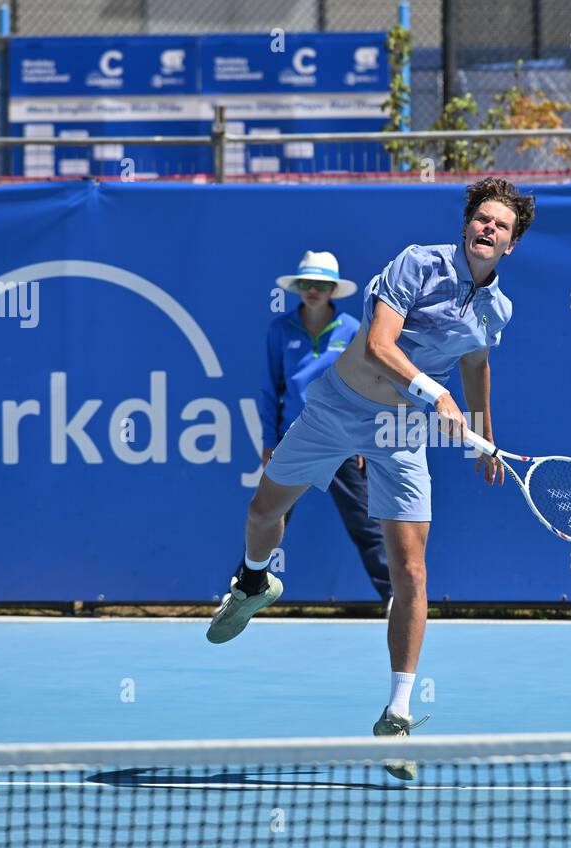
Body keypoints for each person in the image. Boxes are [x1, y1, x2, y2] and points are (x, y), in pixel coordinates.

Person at [207, 178, 536, 776]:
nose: (488, 230)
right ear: (467, 225)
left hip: (400, 435)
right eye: (482, 219)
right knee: (263, 512)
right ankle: (254, 583)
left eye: (501, 226)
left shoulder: (497, 309)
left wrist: (485, 438)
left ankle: (398, 713)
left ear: (511, 245)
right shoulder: (417, 263)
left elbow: (476, 362)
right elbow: (382, 345)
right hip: (337, 408)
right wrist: (435, 393)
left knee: (409, 570)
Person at [255, 251, 393, 607]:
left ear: (332, 289)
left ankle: (395, 598)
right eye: (306, 283)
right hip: (293, 441)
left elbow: (365, 388)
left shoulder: (351, 330)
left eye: (320, 284)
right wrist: (270, 441)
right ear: (298, 287)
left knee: (365, 524)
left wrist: (362, 438)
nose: (312, 290)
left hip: (343, 441)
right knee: (266, 516)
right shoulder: (279, 330)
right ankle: (247, 588)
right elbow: (271, 390)